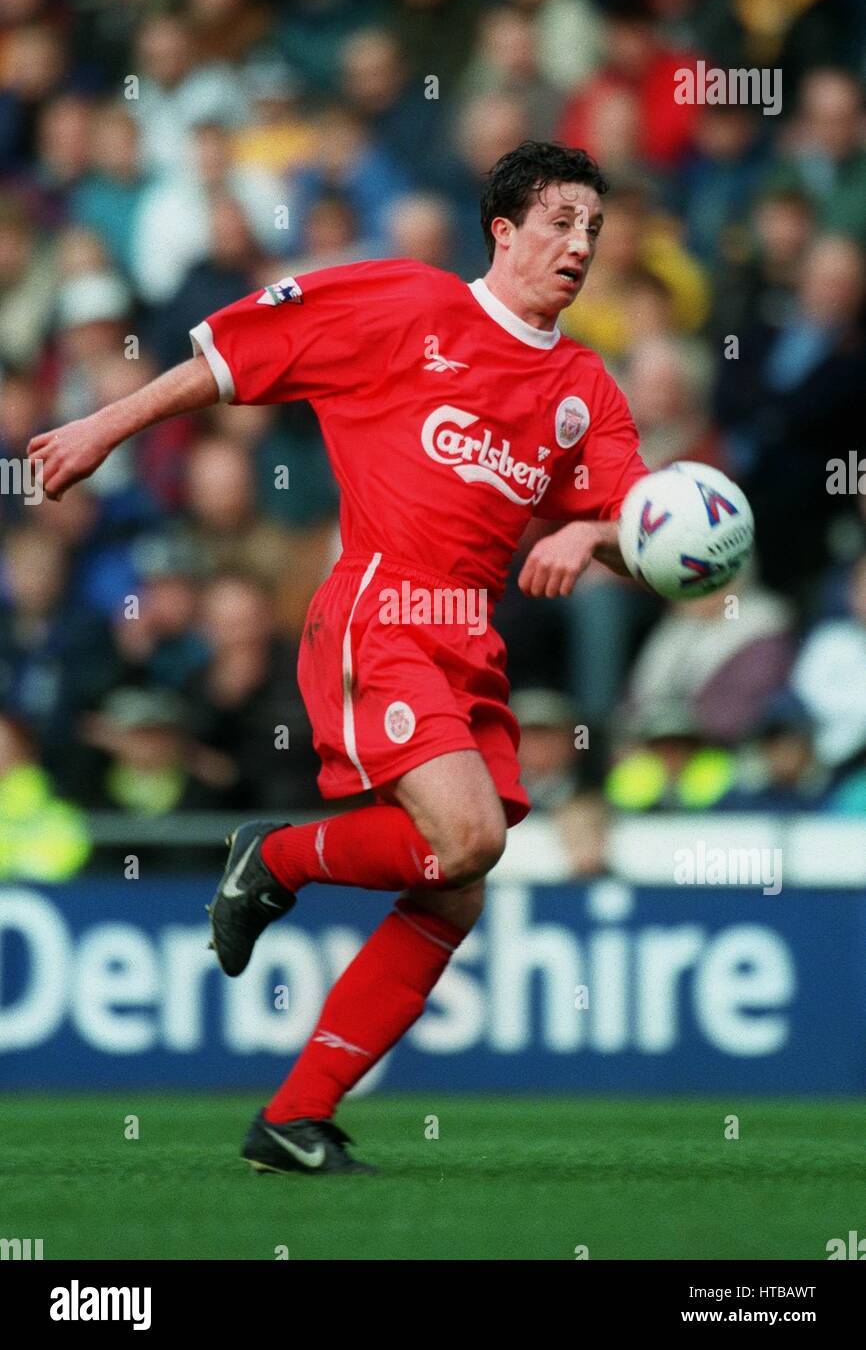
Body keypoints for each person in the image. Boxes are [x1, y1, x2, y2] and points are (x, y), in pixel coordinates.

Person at [28, 141, 648, 1175]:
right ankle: (274, 856)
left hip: (470, 640)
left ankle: (293, 1116)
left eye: (592, 226)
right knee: (466, 837)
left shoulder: (583, 387)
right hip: (378, 609)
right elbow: (230, 366)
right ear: (501, 230)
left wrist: (591, 534)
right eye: (558, 221)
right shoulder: (405, 304)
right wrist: (104, 425)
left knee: (454, 887)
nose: (578, 243)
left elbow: (638, 524)